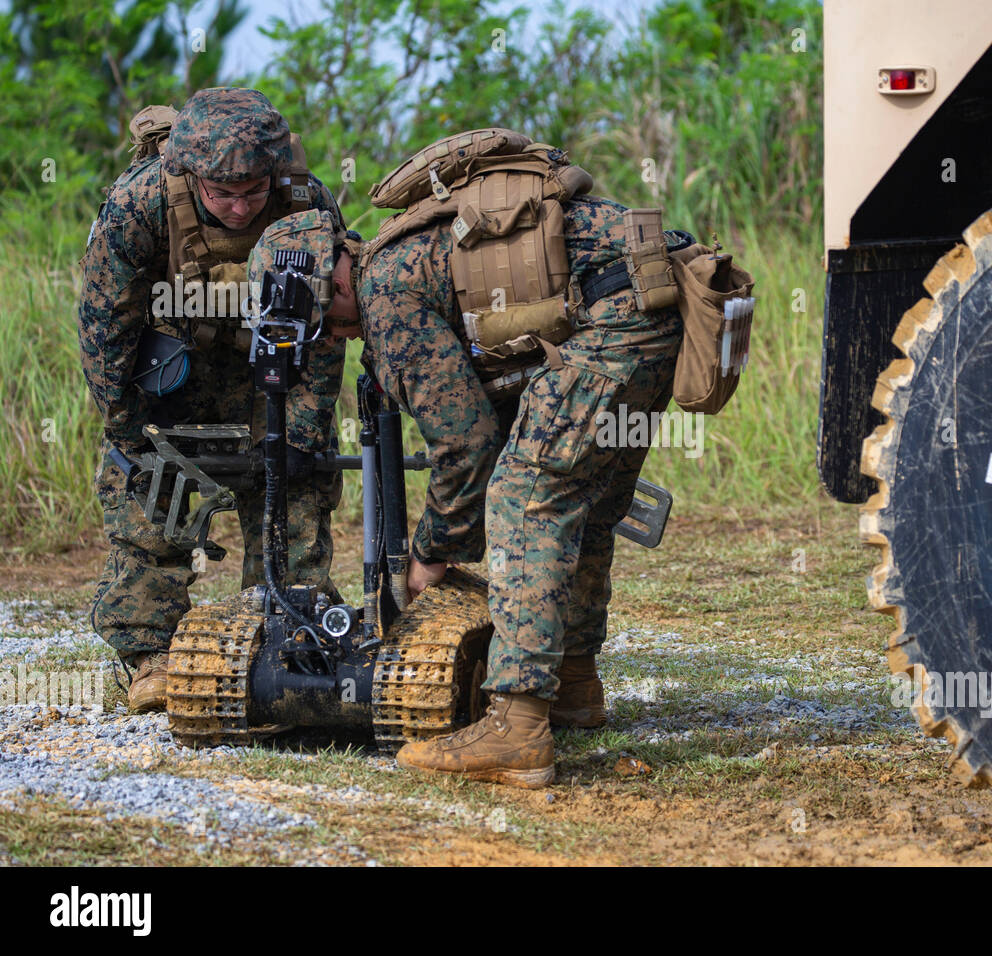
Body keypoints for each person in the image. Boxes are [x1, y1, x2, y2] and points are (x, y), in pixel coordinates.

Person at [246, 154, 687, 788]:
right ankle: (572, 684)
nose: (331, 336)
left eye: (323, 322)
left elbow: (468, 447)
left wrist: (432, 553)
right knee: (578, 495)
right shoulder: (407, 254)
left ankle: (518, 727)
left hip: (616, 319)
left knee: (526, 497)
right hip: (654, 299)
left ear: (332, 280)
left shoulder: (386, 294)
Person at [78, 87, 347, 713]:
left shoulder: (306, 204)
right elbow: (104, 325)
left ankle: (287, 632)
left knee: (295, 484)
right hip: (172, 364)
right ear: (188, 174)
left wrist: (303, 431)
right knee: (149, 491)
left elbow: (329, 329)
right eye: (221, 193)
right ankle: (151, 656)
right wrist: (126, 425)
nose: (238, 205)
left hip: (272, 362)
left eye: (253, 191)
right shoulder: (141, 202)